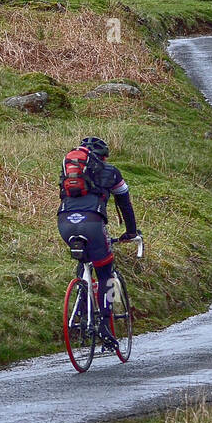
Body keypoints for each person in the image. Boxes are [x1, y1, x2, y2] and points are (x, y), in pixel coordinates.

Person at [57, 137, 139, 345]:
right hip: (92, 223)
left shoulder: (68, 172)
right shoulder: (111, 172)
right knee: (106, 272)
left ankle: (82, 306)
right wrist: (130, 232)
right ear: (102, 157)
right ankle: (104, 323)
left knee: (84, 260)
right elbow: (125, 204)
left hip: (65, 223)